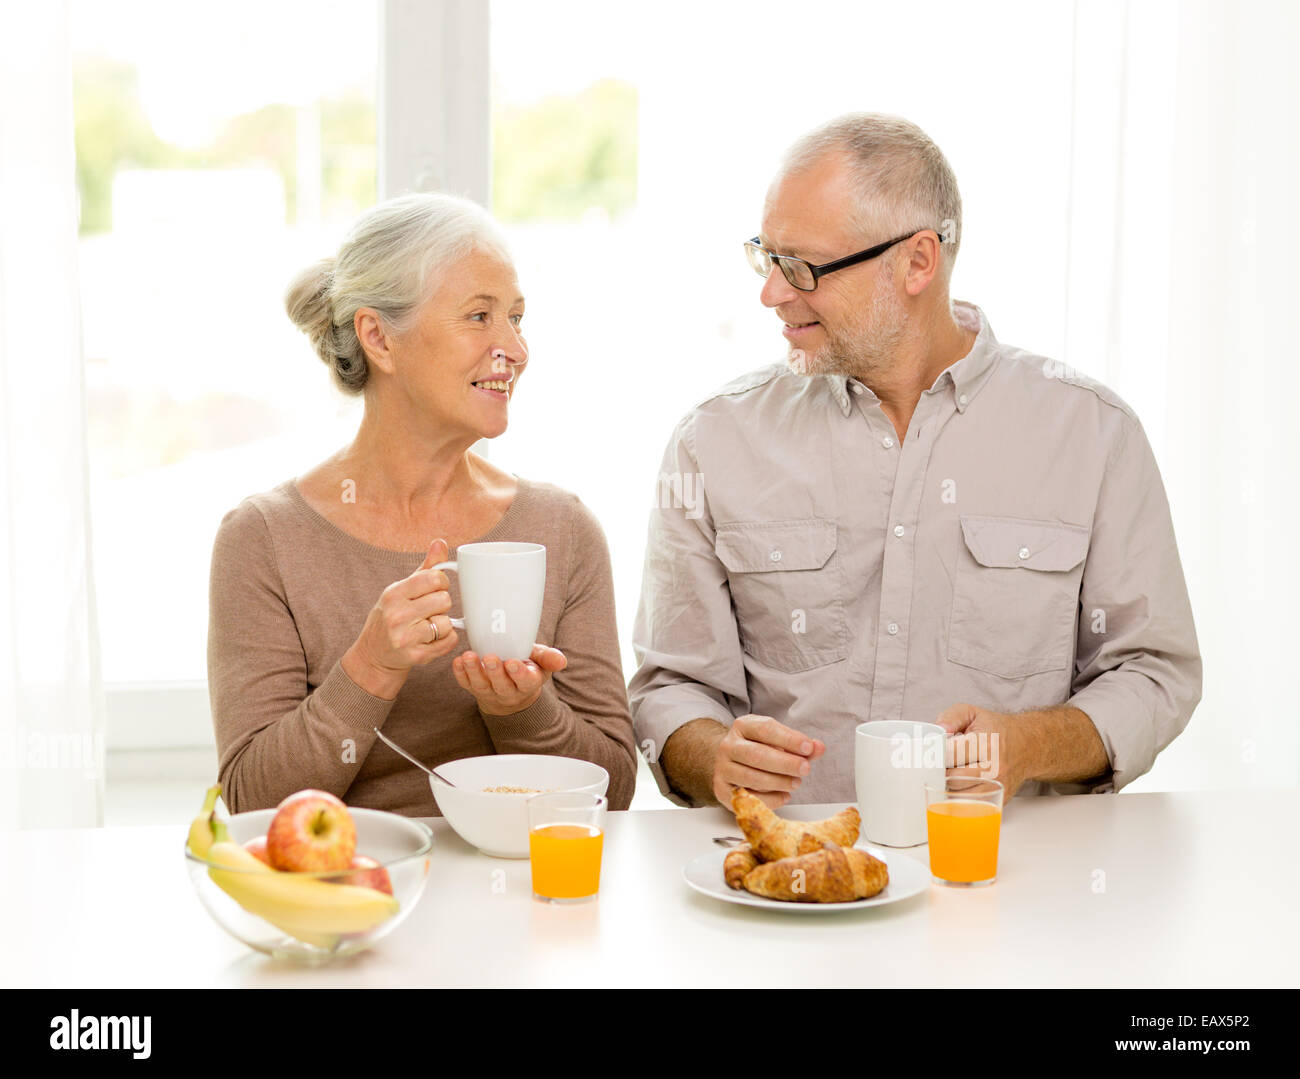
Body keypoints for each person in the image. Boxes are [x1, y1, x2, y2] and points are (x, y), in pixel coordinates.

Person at [630, 113, 1201, 810]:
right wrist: (712, 753)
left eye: (801, 266)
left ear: (918, 262)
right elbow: (671, 687)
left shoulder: (1093, 434)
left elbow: (1152, 671)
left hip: (1012, 888)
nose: (771, 293)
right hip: (791, 891)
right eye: (765, 256)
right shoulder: (712, 442)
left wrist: (1028, 744)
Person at [208, 192, 636, 815]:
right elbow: (251, 805)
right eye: (479, 317)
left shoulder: (562, 528)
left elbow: (616, 790)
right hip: (353, 900)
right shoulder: (263, 540)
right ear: (379, 338)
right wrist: (371, 668)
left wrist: (521, 710)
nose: (514, 349)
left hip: (525, 898)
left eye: (517, 318)